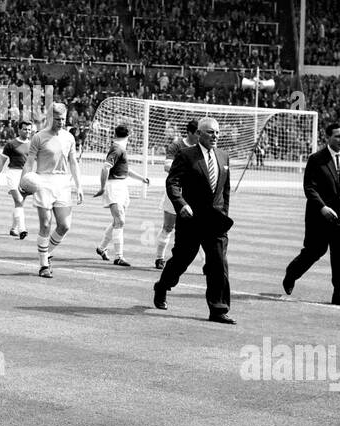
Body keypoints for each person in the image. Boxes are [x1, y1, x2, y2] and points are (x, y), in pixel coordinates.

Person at [152, 117, 235, 323]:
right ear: (198, 134)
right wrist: (181, 204)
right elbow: (173, 182)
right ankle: (162, 286)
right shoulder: (186, 155)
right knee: (182, 260)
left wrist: (224, 214)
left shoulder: (224, 156)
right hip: (191, 219)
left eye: (216, 132)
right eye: (209, 132)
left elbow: (225, 191)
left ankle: (218, 309)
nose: (214, 136)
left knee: (218, 264)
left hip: (215, 221)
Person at [282, 121, 340, 308]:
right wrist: (322, 207)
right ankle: (291, 274)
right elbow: (310, 188)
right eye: (338, 136)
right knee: (314, 252)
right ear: (328, 137)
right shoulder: (316, 159)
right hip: (319, 217)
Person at [20, 102, 83, 279]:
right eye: (57, 119)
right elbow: (30, 161)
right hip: (43, 182)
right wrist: (23, 182)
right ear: (50, 118)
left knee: (64, 225)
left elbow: (73, 162)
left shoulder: (69, 137)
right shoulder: (39, 137)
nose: (61, 122)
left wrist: (79, 186)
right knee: (46, 224)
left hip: (63, 182)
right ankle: (43, 265)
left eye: (63, 119)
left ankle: (46, 253)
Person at [95, 124, 151, 267]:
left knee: (117, 221)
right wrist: (102, 187)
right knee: (120, 221)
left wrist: (142, 178)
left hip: (122, 186)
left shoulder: (120, 148)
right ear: (129, 135)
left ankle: (101, 248)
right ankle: (119, 257)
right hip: (114, 186)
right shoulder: (117, 149)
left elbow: (125, 169)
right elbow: (105, 168)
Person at [155, 120, 199, 270]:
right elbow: (167, 166)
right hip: (175, 192)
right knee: (168, 226)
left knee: (200, 229)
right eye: (198, 133)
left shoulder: (202, 147)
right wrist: (187, 172)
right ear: (190, 133)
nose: (200, 136)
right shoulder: (176, 146)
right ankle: (159, 258)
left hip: (194, 193)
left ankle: (208, 264)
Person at [0, 118, 33, 239]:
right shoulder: (11, 144)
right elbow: (1, 162)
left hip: (25, 176)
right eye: (25, 129)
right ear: (19, 130)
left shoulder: (32, 145)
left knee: (20, 203)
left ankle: (14, 228)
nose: (27, 132)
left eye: (29, 130)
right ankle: (22, 229)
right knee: (19, 200)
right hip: (13, 174)